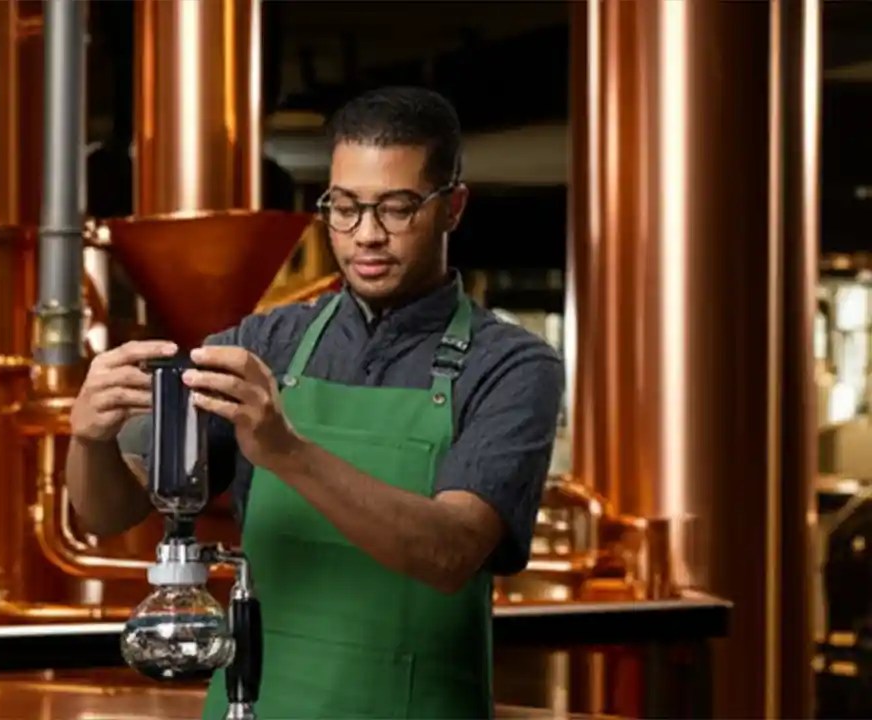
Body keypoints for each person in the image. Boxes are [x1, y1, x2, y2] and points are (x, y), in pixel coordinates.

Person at [66, 86, 565, 720]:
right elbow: (113, 511)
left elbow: (451, 552)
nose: (367, 236)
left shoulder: (512, 366)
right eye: (346, 208)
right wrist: (88, 438)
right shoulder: (264, 341)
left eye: (397, 208)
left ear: (453, 208)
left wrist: (287, 452)